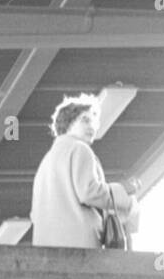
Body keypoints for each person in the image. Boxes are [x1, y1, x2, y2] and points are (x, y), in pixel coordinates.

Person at [31, 93, 137, 248]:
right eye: (85, 120)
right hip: (78, 245)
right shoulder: (79, 149)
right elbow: (89, 192)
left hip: (46, 247)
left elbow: (34, 214)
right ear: (68, 123)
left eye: (94, 121)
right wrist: (124, 198)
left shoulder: (46, 162)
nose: (91, 126)